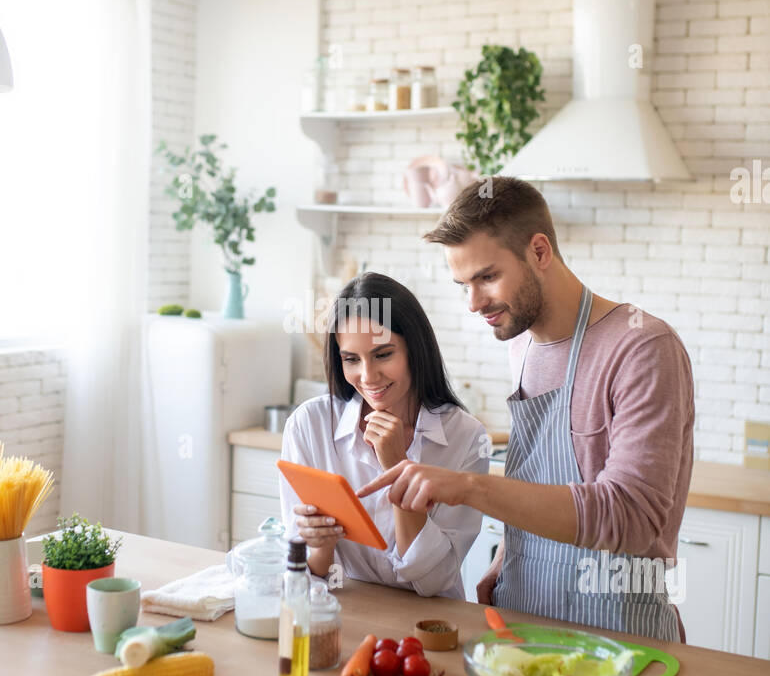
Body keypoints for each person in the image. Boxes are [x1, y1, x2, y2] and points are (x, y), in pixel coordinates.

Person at [357, 178, 694, 642]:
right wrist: (508, 552)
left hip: (618, 634)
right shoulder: (522, 343)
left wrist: (470, 487)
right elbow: (542, 478)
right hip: (524, 620)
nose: (474, 304)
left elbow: (631, 516)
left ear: (539, 251)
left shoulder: (642, 347)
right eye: (463, 285)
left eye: (487, 278)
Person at [278, 273, 490, 601]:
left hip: (431, 623)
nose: (367, 376)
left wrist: (398, 467)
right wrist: (322, 547)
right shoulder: (309, 425)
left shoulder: (466, 436)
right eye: (351, 359)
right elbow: (306, 574)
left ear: (414, 349)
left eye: (383, 354)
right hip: (350, 612)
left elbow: (434, 580)